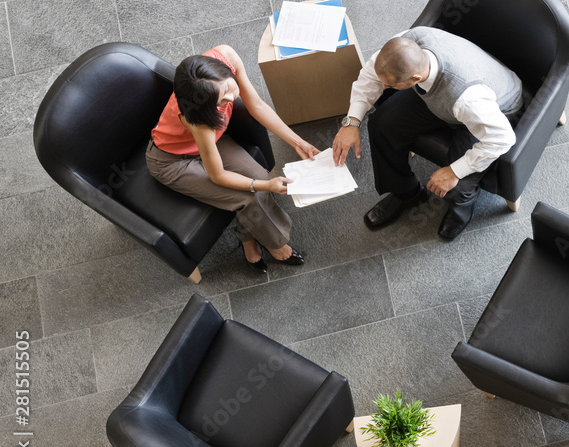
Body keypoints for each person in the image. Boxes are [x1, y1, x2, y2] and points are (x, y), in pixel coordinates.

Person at [331, 27, 522, 240]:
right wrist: (351, 123)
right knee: (381, 124)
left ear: (416, 77)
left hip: (493, 111)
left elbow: (502, 138)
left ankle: (461, 208)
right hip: (444, 101)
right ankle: (406, 193)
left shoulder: (468, 99)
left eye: (390, 85)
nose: (383, 86)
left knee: (458, 184)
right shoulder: (405, 43)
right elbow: (371, 76)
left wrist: (454, 171)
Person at [146, 45, 319, 273]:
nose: (231, 98)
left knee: (257, 175)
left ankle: (248, 237)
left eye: (228, 86)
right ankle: (274, 244)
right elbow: (218, 176)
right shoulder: (198, 118)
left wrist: (298, 142)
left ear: (221, 70)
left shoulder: (226, 56)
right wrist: (265, 185)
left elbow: (256, 105)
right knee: (250, 194)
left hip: (213, 141)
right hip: (172, 161)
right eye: (220, 102)